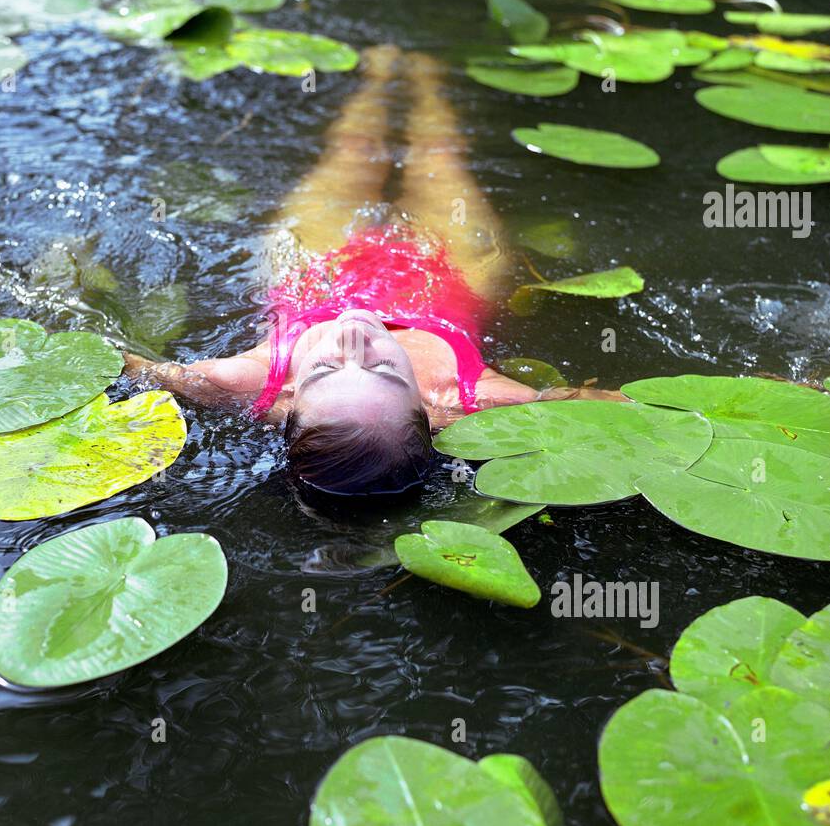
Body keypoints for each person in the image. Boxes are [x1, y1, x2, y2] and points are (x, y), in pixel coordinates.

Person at [124, 46, 619, 500]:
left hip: (318, 260)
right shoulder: (471, 398)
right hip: (448, 271)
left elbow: (129, 368)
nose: (355, 341)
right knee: (439, 157)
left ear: (290, 399)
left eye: (325, 368)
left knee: (353, 150)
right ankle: (428, 79)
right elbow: (600, 407)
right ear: (430, 412)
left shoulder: (243, 382)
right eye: (383, 369)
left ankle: (377, 76)